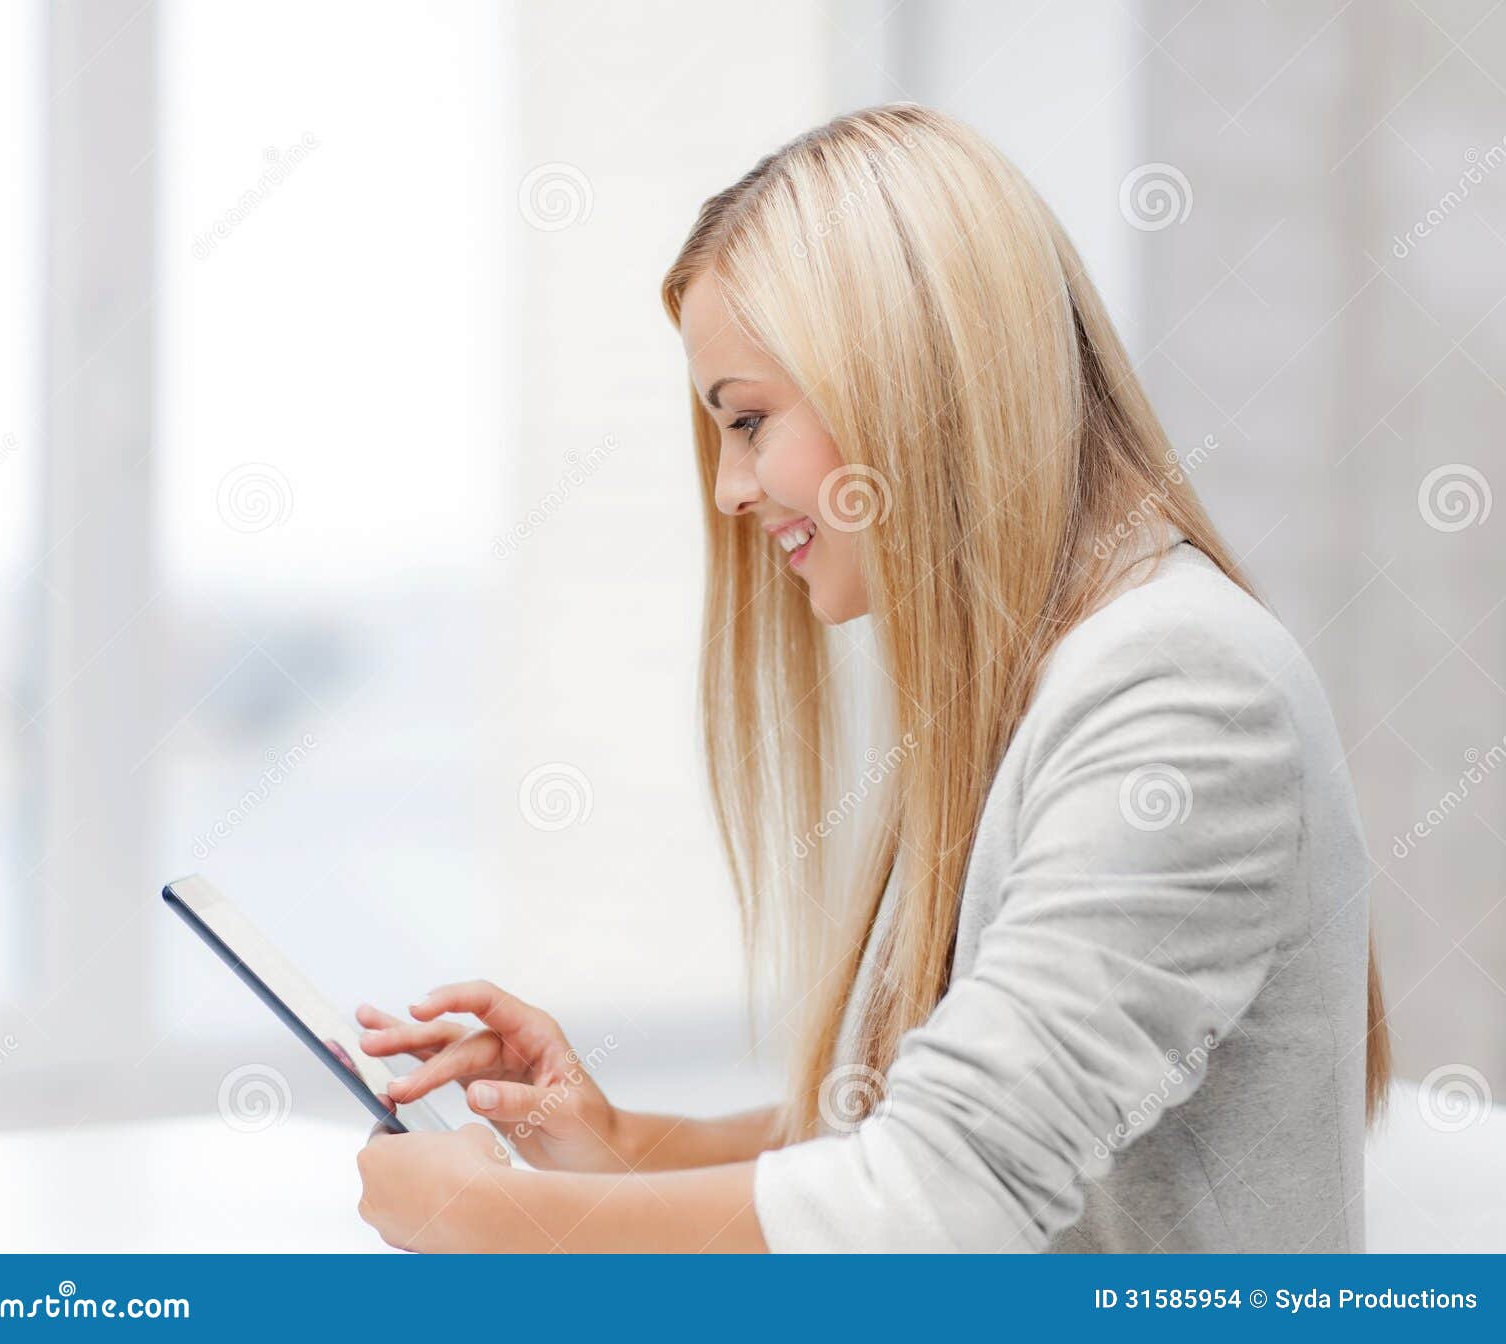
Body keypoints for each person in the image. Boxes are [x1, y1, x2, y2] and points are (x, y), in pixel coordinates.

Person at [353, 103, 1390, 1253]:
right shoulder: (1039, 684)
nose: (731, 492)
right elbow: (917, 1126)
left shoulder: (1179, 696)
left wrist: (502, 1218)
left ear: (911, 377)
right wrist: (618, 1144)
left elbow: (945, 1196)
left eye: (748, 420)